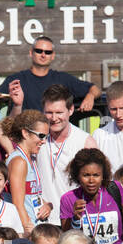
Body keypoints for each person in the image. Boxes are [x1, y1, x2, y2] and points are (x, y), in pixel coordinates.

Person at [59, 147, 123, 244]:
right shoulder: (68, 199)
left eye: (96, 175)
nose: (91, 181)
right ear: (77, 176)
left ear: (103, 176)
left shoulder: (114, 189)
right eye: (86, 175)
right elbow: (66, 236)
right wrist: (75, 218)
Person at [35, 84, 98, 213]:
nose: (54, 118)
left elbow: (95, 185)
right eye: (49, 112)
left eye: (59, 112)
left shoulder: (86, 142)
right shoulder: (36, 138)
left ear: (70, 110)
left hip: (74, 218)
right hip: (43, 218)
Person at [0, 36, 99, 115]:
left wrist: (90, 96)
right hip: (23, 136)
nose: (43, 55)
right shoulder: (16, 80)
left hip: (53, 137)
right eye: (39, 51)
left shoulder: (63, 79)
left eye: (47, 52)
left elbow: (95, 89)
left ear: (53, 55)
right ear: (31, 52)